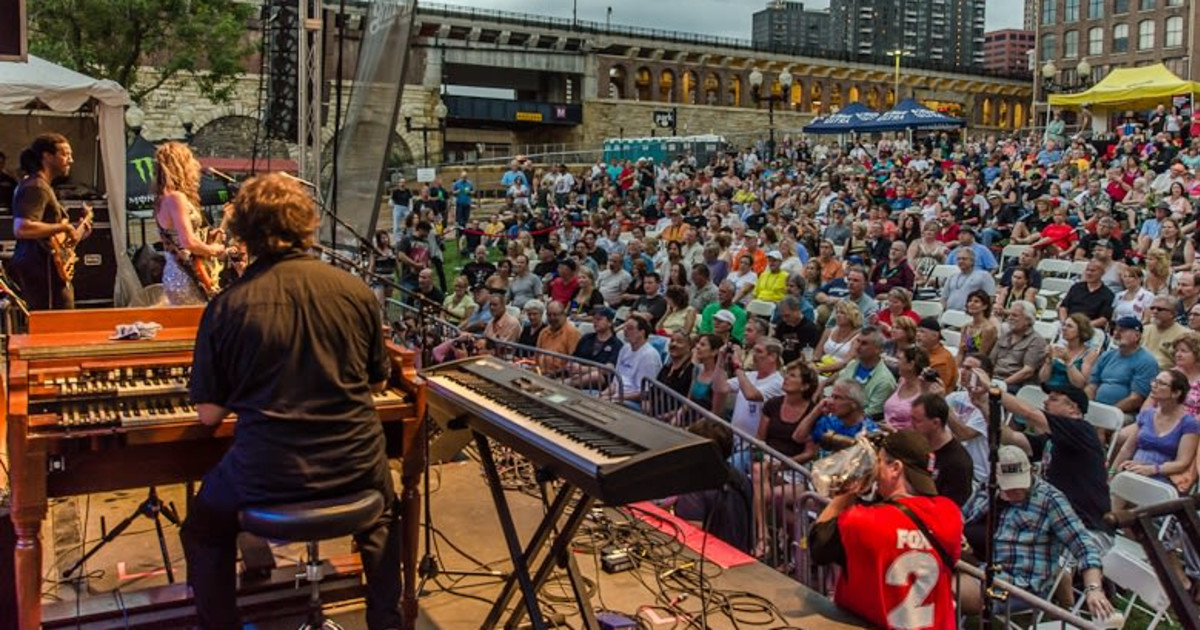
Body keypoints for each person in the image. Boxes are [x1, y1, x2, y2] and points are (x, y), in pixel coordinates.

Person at [183, 173, 402, 630]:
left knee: (203, 529)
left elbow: (208, 416)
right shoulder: (356, 291)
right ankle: (386, 621)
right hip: (355, 466)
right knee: (383, 518)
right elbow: (378, 383)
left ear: (242, 233)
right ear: (307, 225)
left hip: (268, 474)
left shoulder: (228, 306)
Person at [809, 430, 963, 630]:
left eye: (879, 462)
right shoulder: (950, 513)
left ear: (895, 468)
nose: (875, 469)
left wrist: (849, 489)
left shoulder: (862, 521)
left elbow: (818, 546)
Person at [958, 447, 1116, 621]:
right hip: (975, 563)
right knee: (929, 570)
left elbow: (1085, 547)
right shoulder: (987, 487)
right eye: (1008, 487)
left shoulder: (1050, 500)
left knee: (946, 588)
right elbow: (961, 516)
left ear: (1031, 472)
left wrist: (1093, 589)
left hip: (1016, 585)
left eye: (1019, 485)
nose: (1014, 491)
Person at [999, 382, 1114, 542]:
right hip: (1057, 521)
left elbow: (1029, 413)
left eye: (1053, 399)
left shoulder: (1082, 430)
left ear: (1073, 408)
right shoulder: (1054, 437)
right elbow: (1011, 438)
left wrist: (993, 391)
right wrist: (984, 404)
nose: (1045, 402)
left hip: (1085, 529)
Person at [11, 133, 93, 310]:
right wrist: (64, 226)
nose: (70, 160)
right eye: (65, 154)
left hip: (50, 268)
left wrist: (79, 230)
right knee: (55, 325)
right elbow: (22, 228)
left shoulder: (42, 186)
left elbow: (55, 239)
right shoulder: (35, 186)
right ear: (47, 156)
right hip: (41, 270)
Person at [153, 142, 226, 305]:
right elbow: (188, 242)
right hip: (188, 276)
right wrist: (213, 250)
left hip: (175, 271)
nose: (196, 165)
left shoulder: (161, 199)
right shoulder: (176, 198)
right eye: (191, 160)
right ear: (181, 165)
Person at [1112, 370, 1200, 486]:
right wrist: (1112, 472)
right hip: (1133, 469)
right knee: (1119, 484)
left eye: (1161, 383)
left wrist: (1152, 469)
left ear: (1176, 393)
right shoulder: (1147, 414)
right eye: (1154, 381)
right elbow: (1127, 449)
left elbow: (1182, 462)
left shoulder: (1189, 423)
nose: (1154, 385)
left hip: (1163, 476)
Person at [909, 394, 974, 506]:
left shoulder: (958, 463)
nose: (912, 425)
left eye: (917, 421)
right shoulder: (917, 447)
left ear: (935, 423)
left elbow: (951, 508)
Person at [1087, 316, 1158, 413]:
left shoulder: (1146, 361)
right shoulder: (1107, 356)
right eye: (1115, 330)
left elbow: (1136, 399)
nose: (1116, 334)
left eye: (1122, 331)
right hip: (1098, 408)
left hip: (1123, 413)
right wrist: (1088, 407)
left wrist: (1107, 414)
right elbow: (1092, 385)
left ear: (1137, 336)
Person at [836, 327, 897, 420]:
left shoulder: (885, 381)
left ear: (878, 349)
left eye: (864, 343)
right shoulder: (853, 364)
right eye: (858, 341)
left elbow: (870, 414)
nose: (858, 346)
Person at [604, 315, 662, 410]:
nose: (625, 331)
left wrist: (615, 398)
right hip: (616, 395)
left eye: (630, 328)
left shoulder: (649, 356)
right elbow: (615, 382)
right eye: (625, 328)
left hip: (632, 401)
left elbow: (644, 392)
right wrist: (603, 394)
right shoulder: (625, 348)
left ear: (642, 332)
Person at [989, 300, 1047, 391]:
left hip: (1016, 385)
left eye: (1015, 315)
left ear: (1028, 320)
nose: (1009, 318)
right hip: (994, 380)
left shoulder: (1036, 341)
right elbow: (990, 361)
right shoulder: (1005, 335)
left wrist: (1002, 384)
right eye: (1009, 315)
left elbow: (1028, 371)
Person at [1040, 313, 1098, 389]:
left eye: (1069, 326)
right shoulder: (1057, 348)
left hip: (1070, 394)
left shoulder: (1089, 353)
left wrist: (1068, 361)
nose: (1064, 328)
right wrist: (1048, 360)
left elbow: (1081, 384)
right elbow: (1043, 379)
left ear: (1081, 331)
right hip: (1049, 389)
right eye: (1064, 325)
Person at [1058, 260, 1115, 329]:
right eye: (1087, 270)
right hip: (1068, 323)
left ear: (1102, 273)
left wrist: (1082, 327)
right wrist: (1064, 322)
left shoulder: (1108, 294)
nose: (1089, 273)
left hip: (1090, 328)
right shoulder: (1076, 287)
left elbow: (1103, 319)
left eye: (1093, 271)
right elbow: (1063, 307)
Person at [1142, 295, 1190, 370]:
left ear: (1172, 313)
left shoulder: (1185, 334)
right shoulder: (1144, 330)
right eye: (1152, 308)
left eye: (1159, 309)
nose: (1154, 311)